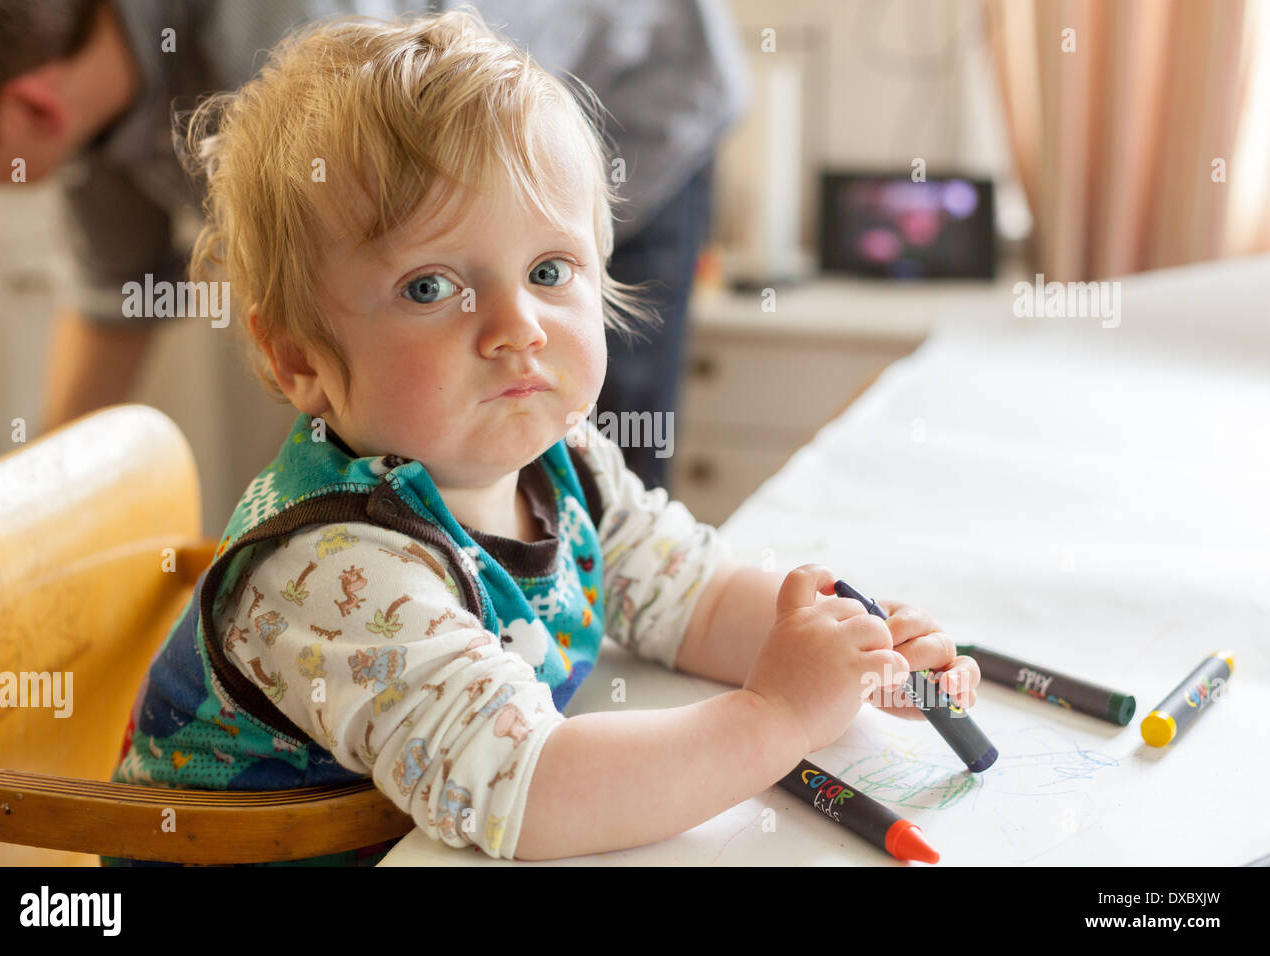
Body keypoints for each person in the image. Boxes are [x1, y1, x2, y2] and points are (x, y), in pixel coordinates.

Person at [101, 9, 980, 865]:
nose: (517, 327)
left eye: (549, 270)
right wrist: (778, 717)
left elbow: (696, 600)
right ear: (300, 360)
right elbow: (530, 792)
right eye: (430, 287)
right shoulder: (336, 572)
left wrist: (841, 653)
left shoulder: (564, 466)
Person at [0, 0, 747, 490]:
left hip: (645, 84)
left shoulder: (298, 43)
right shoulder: (91, 141)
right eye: (427, 288)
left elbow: (378, 342)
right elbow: (118, 308)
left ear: (28, 110)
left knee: (566, 451)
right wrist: (25, 517)